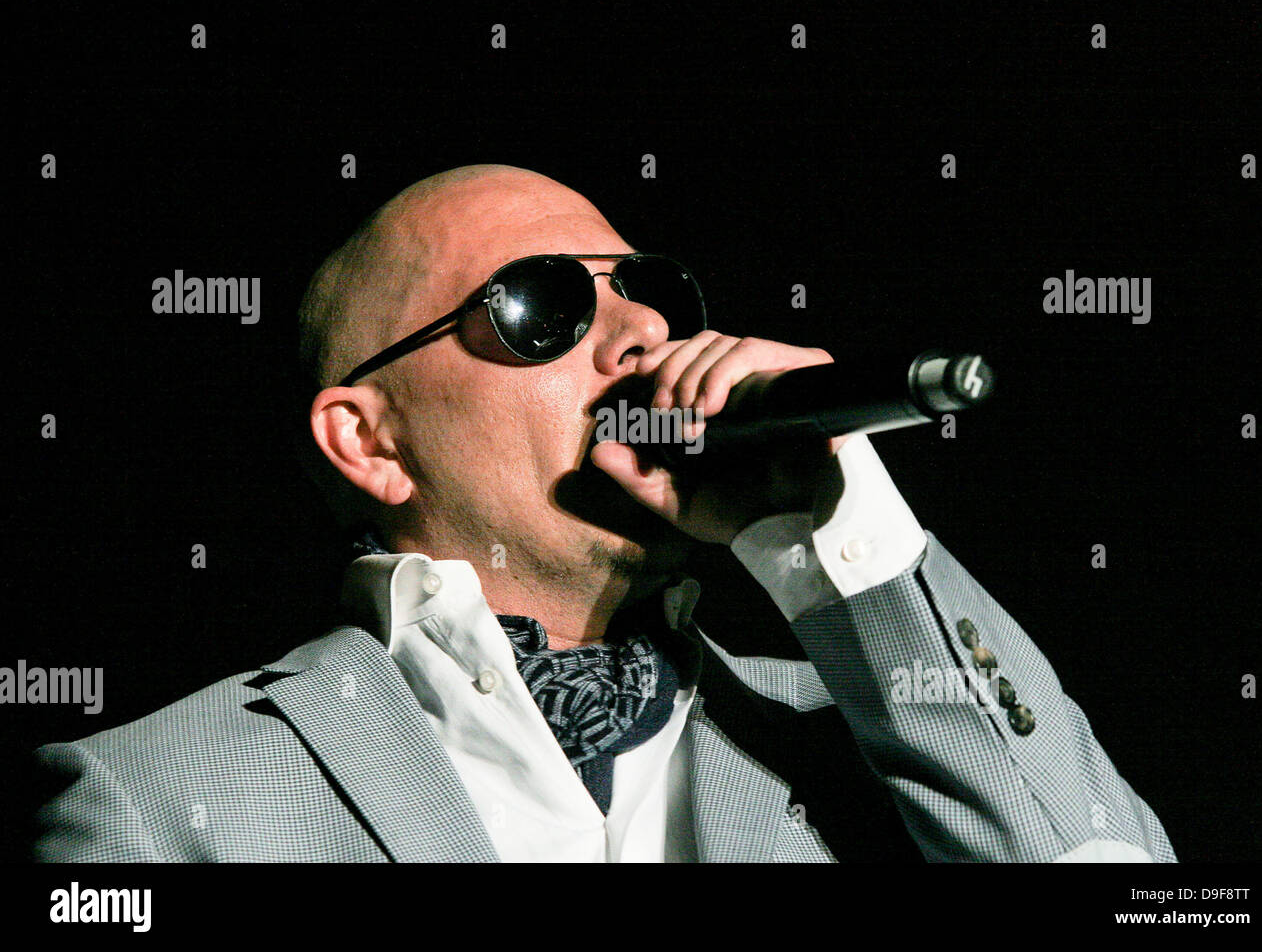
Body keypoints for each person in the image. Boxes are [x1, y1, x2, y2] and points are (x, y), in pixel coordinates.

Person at [33, 165, 1175, 862]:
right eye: (543, 305)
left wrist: (839, 544)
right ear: (368, 439)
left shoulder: (871, 739)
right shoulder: (155, 792)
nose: (639, 337)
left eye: (646, 294)